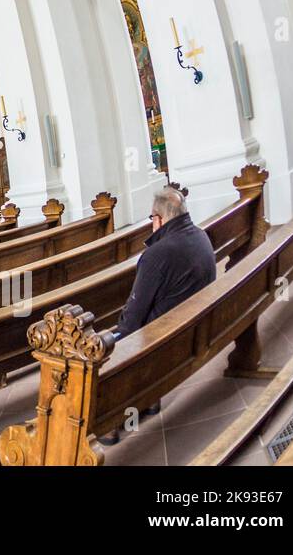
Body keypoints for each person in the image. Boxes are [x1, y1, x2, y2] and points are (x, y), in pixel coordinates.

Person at [99, 187, 215, 445]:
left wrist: (107, 338)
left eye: (152, 218)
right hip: (195, 329)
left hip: (164, 339)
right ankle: (148, 399)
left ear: (159, 218)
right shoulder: (201, 236)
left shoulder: (156, 255)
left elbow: (131, 322)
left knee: (100, 348)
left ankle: (109, 420)